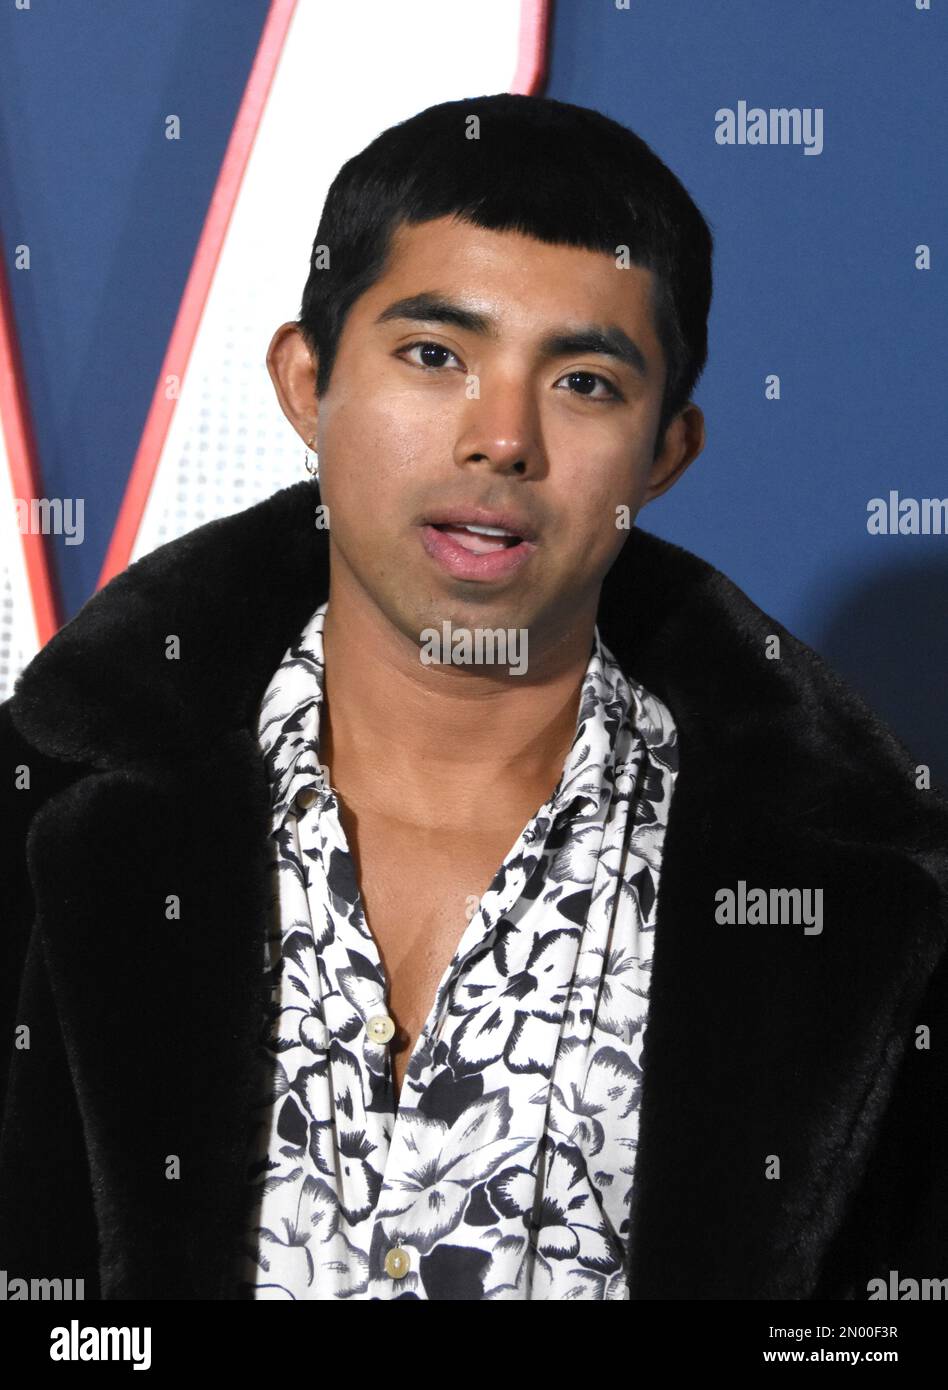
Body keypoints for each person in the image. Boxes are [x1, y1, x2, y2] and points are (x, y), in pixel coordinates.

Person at [2, 93, 946, 1302]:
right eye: (435, 354)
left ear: (666, 451)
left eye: (587, 382)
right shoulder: (39, 814)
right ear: (307, 380)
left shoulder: (866, 903)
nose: (503, 439)